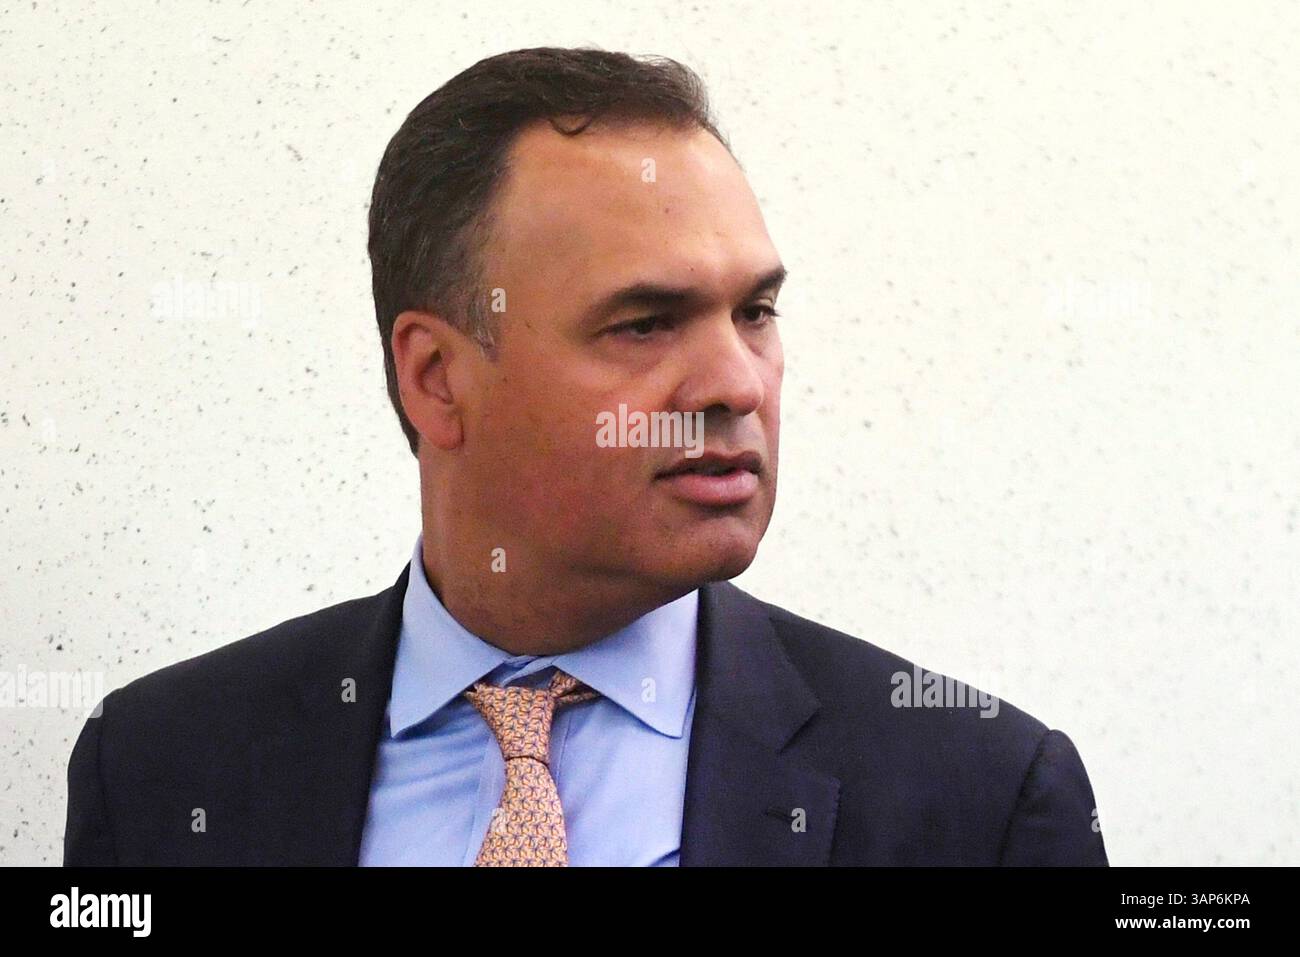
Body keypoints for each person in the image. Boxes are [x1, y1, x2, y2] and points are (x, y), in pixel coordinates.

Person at [64, 46, 1108, 866]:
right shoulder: (163, 765)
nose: (735, 384)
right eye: (645, 323)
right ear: (435, 376)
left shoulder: (975, 797)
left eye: (755, 311)